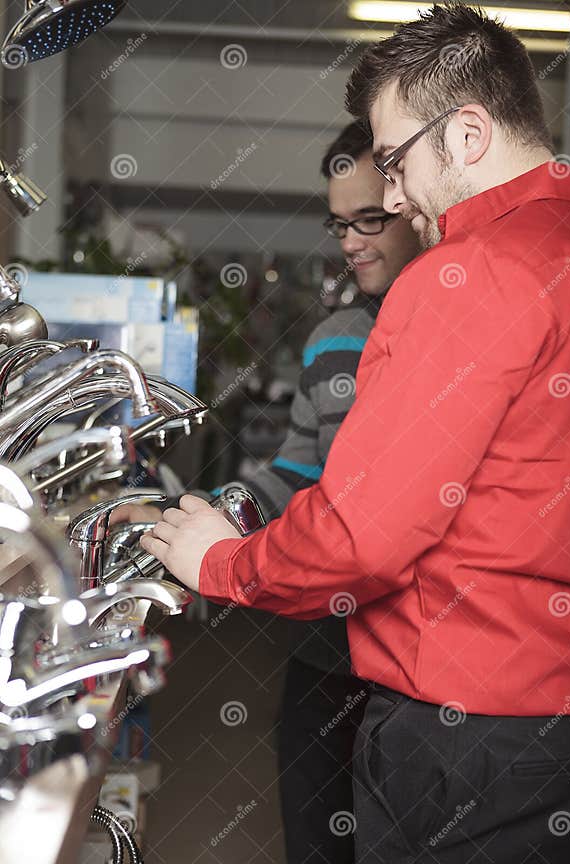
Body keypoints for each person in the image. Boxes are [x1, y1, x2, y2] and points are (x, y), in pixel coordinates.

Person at [141, 4, 570, 860]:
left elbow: (363, 535)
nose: (389, 196)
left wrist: (221, 562)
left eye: (394, 162)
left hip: (467, 742)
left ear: (472, 133)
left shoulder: (467, 272)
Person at [113, 122, 420, 864]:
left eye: (370, 219)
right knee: (315, 841)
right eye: (339, 223)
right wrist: (190, 515)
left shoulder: (448, 332)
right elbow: (293, 472)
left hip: (413, 669)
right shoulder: (333, 337)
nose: (350, 241)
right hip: (322, 652)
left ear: (416, 201)